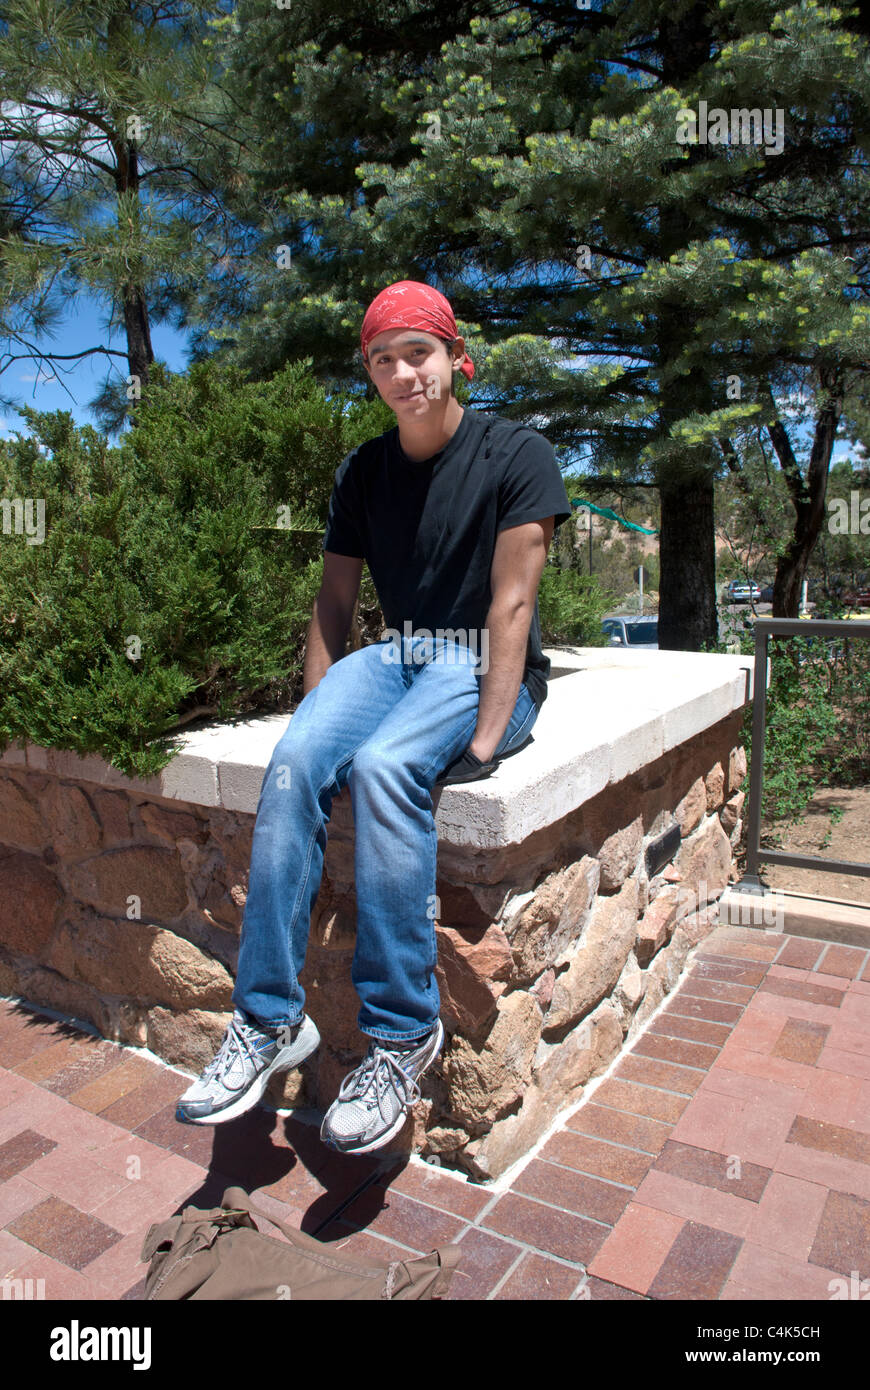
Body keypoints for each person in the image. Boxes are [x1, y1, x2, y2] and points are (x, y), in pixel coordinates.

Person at [176, 280, 572, 1154]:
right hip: (398, 658)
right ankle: (269, 1019)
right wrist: (317, 723)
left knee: (390, 766)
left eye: (417, 353)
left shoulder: (518, 455)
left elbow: (512, 606)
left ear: (454, 353)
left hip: (478, 665)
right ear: (371, 372)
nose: (403, 373)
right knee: (294, 764)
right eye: (383, 359)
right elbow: (334, 599)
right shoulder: (363, 469)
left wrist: (481, 737)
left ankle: (401, 1034)